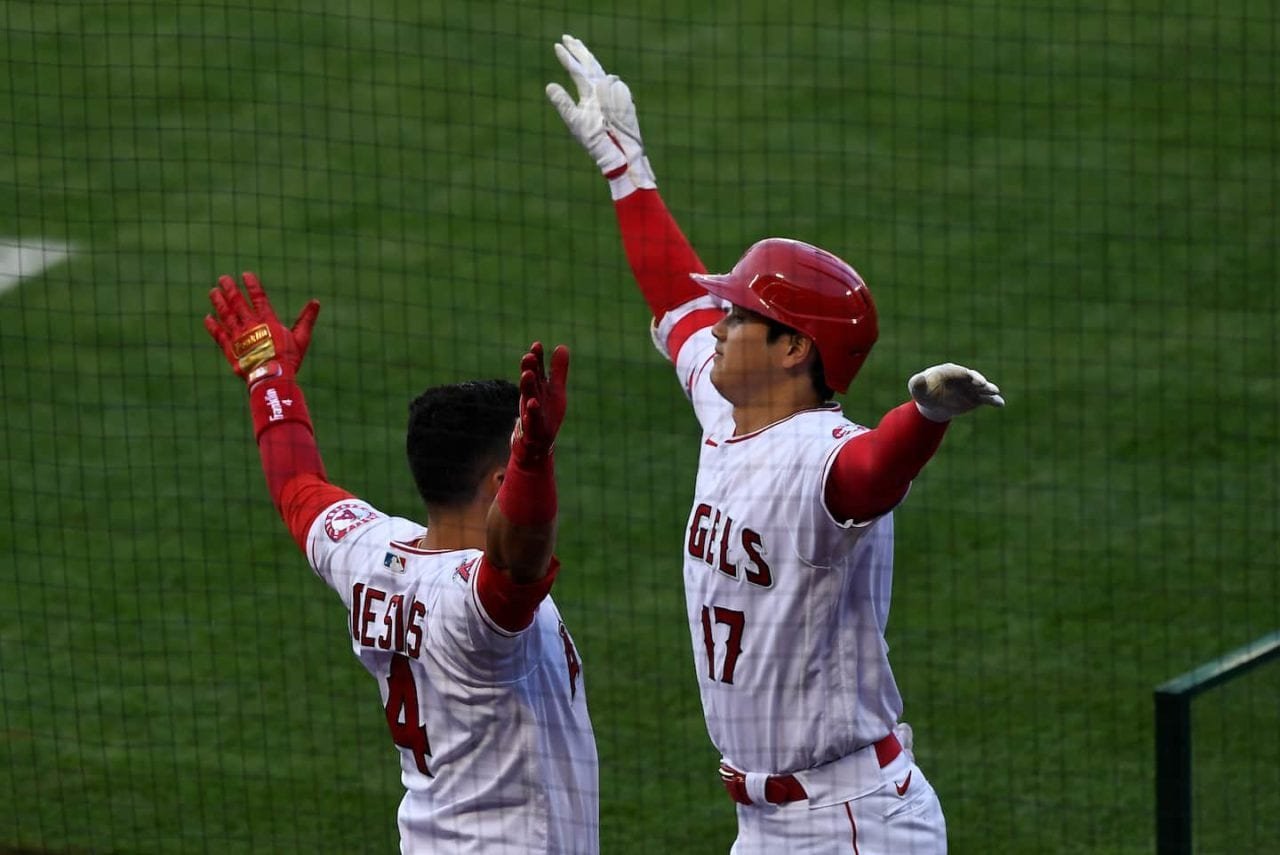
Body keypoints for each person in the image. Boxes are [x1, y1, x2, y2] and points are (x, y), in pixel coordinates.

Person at [547, 35, 1004, 854]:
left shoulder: (820, 453)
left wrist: (924, 418)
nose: (716, 325)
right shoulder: (726, 410)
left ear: (795, 349)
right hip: (767, 824)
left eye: (740, 316)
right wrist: (627, 171)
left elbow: (871, 475)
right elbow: (670, 291)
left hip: (850, 822)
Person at [203, 272, 598, 853]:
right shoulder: (471, 606)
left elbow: (298, 484)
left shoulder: (369, 551)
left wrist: (270, 374)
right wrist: (534, 461)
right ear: (499, 481)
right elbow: (518, 564)